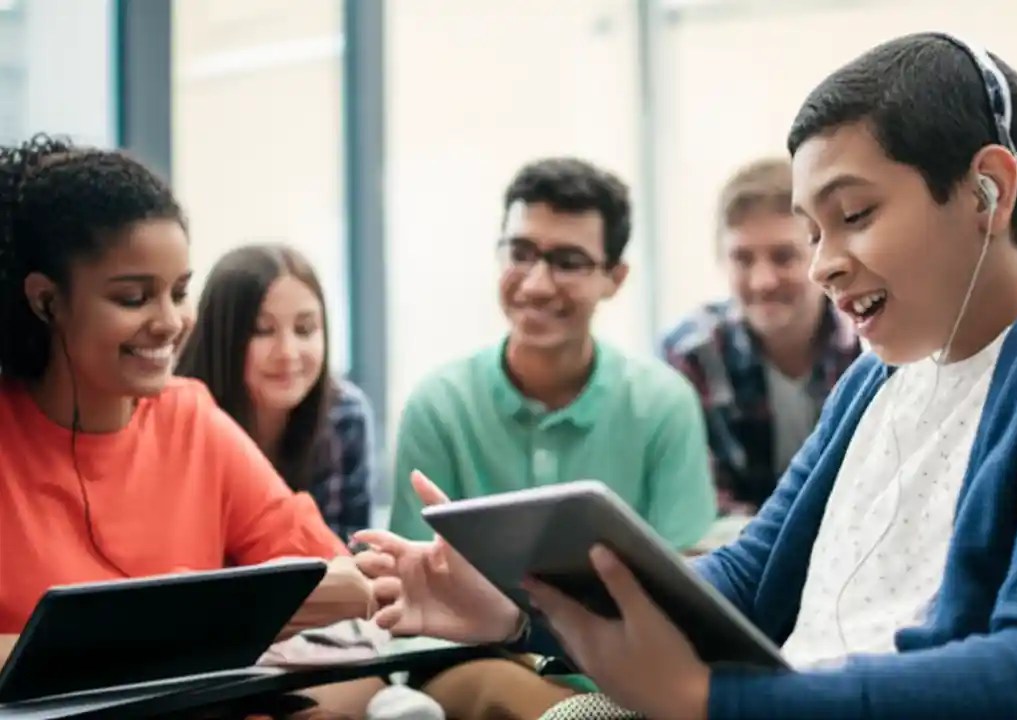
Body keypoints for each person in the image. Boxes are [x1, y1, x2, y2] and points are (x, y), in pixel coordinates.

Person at [356, 32, 1017, 720]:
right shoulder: (880, 376)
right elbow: (746, 581)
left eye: (855, 215)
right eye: (813, 231)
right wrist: (522, 606)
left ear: (987, 188)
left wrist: (709, 700)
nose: (822, 268)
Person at [0, 135, 380, 718]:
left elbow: (348, 585)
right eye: (133, 298)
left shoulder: (190, 417)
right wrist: (198, 623)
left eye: (180, 292)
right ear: (46, 301)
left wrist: (202, 618)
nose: (171, 322)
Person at [388, 157, 716, 552]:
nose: (537, 285)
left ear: (614, 279)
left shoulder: (663, 405)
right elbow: (412, 574)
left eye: (568, 263)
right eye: (520, 253)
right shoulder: (439, 406)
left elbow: (688, 571)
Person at [661, 158, 859, 523]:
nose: (763, 281)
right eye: (742, 259)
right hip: (738, 565)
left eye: (784, 257)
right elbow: (700, 506)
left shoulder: (872, 346)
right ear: (721, 260)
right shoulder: (691, 355)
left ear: (822, 253)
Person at [178, 243, 375, 542]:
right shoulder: (174, 418)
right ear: (222, 338)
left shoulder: (344, 414)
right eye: (262, 330)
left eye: (305, 329)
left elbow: (354, 552)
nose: (287, 352)